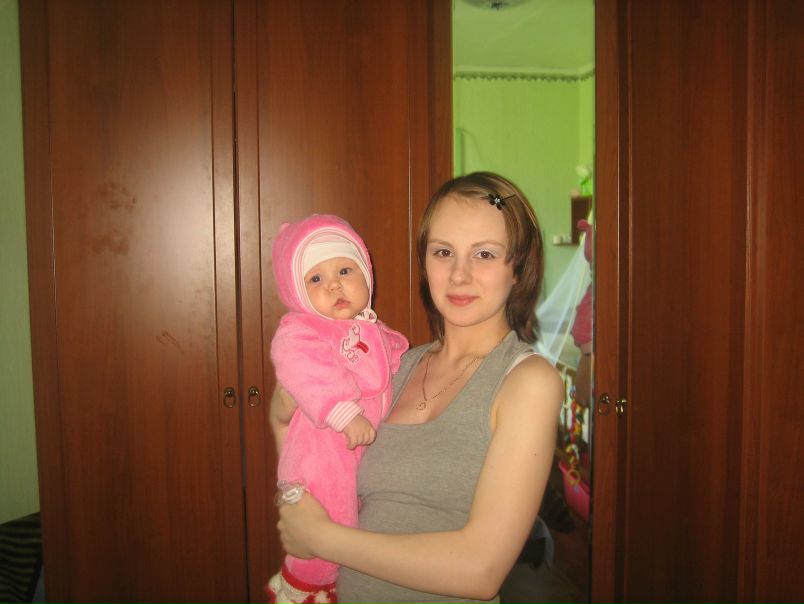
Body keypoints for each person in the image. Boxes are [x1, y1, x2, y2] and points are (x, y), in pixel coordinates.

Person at [274, 172, 563, 603]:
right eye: (443, 252)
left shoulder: (527, 382)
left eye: (484, 254)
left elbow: (480, 570)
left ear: (518, 269)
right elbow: (314, 455)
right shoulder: (392, 368)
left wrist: (321, 539)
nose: (459, 275)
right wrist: (282, 421)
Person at [267, 214, 409, 603]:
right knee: (329, 520)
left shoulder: (375, 332)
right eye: (316, 278)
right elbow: (305, 370)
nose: (334, 284)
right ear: (297, 292)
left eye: (345, 270)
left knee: (355, 523)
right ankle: (308, 588)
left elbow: (390, 374)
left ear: (366, 274)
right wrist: (344, 413)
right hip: (321, 454)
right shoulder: (301, 330)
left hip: (359, 455)